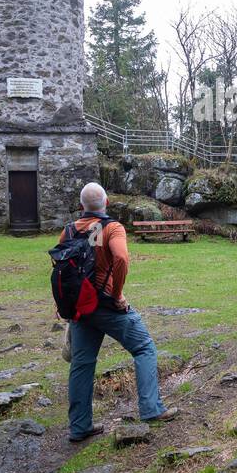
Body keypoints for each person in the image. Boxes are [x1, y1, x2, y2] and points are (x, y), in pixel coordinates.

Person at [61, 182, 179, 442]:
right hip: (106, 304)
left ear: (81, 206)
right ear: (106, 203)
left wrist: (66, 306)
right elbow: (122, 259)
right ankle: (151, 409)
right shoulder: (112, 227)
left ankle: (79, 428)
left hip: (81, 309)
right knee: (144, 347)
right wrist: (117, 295)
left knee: (81, 365)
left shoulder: (69, 230)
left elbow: (60, 269)